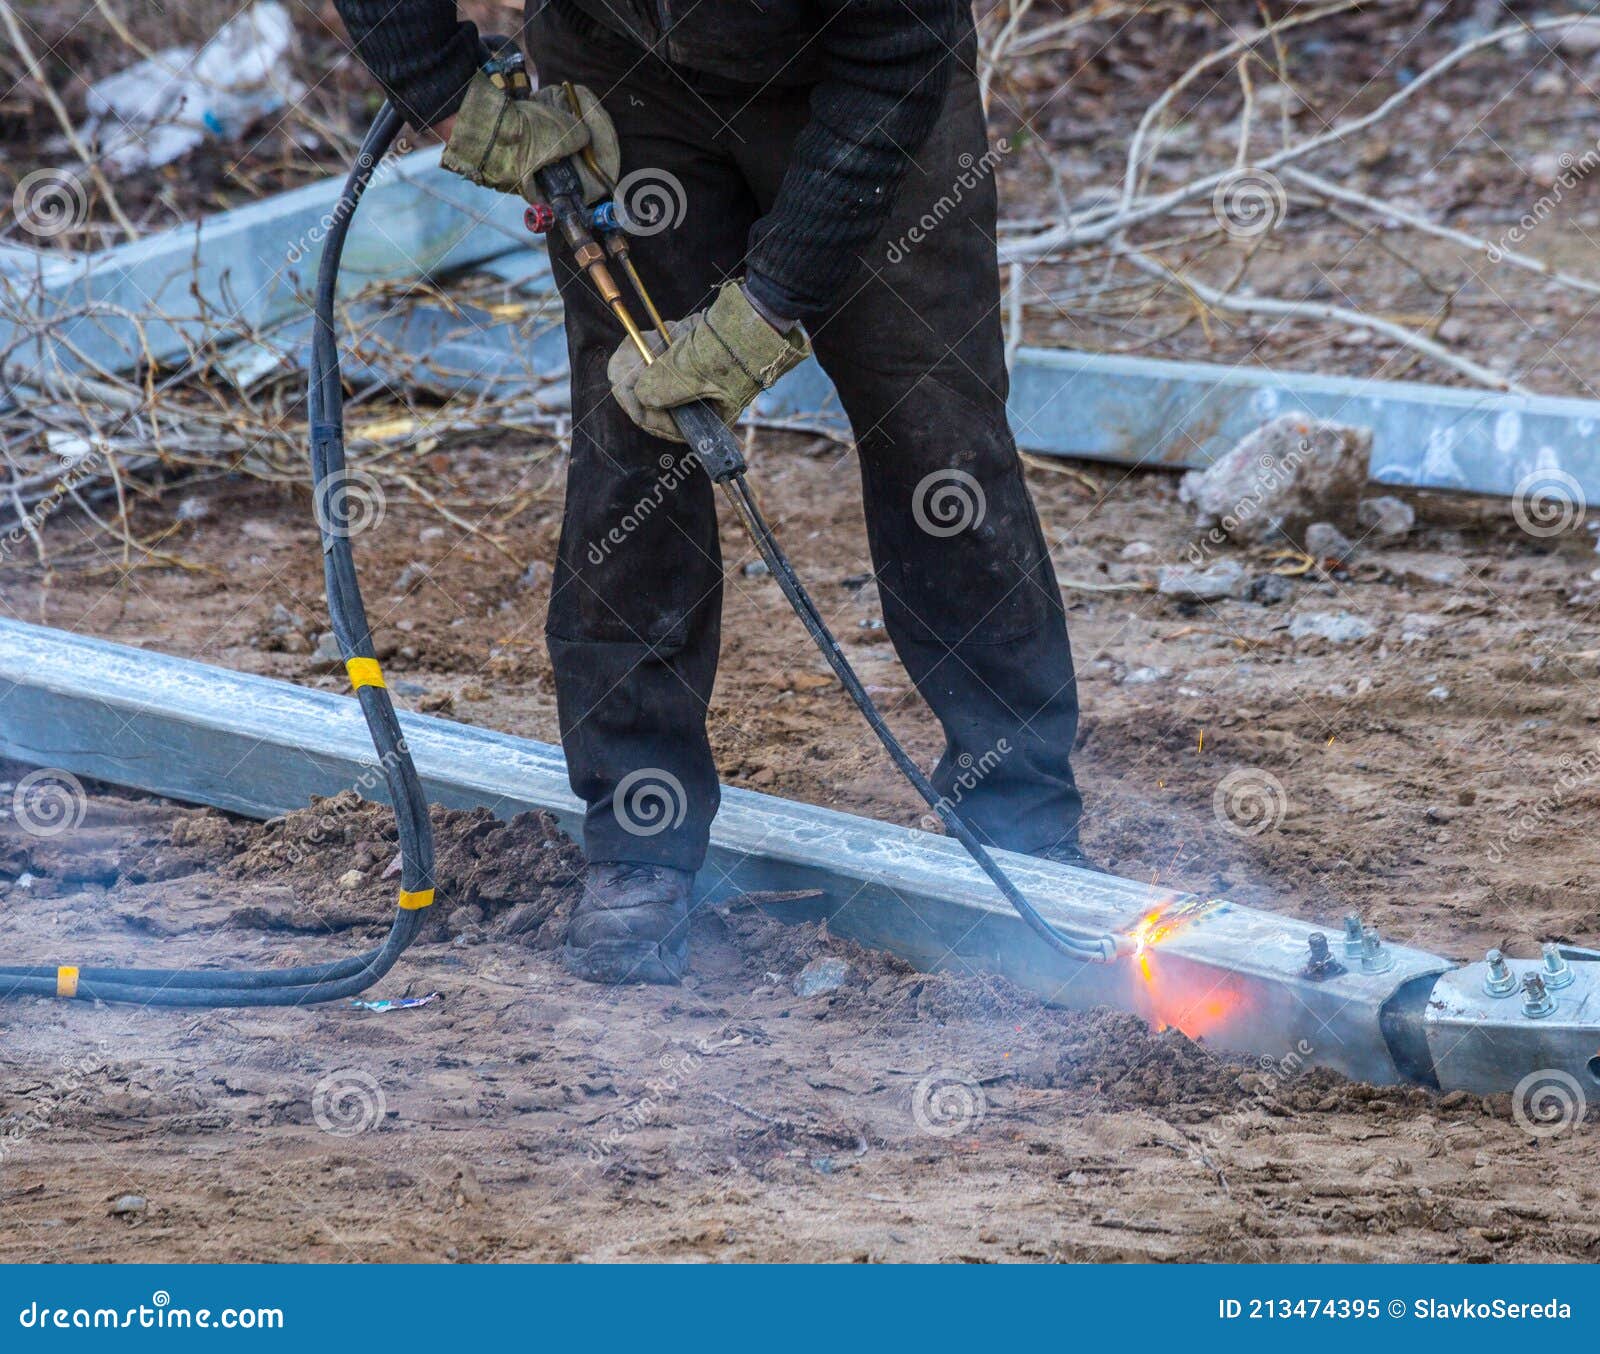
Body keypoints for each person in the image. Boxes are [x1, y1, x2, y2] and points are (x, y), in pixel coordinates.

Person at [331, 0, 1088, 985]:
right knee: (633, 425)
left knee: (938, 437)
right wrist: (447, 96)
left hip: (863, 77)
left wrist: (766, 307)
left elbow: (901, 45)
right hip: (625, 76)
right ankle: (640, 835)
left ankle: (1016, 822)